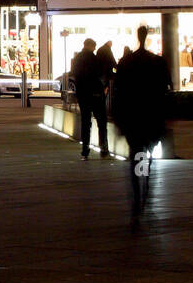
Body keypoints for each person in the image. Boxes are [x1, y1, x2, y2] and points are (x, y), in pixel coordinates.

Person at [111, 25, 172, 216]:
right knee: (146, 152)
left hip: (133, 117)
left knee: (137, 153)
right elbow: (166, 90)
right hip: (151, 115)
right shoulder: (157, 62)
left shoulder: (127, 61)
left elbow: (118, 92)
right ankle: (144, 181)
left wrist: (118, 118)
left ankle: (138, 191)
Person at [69, 38, 109, 159]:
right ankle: (103, 147)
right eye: (94, 46)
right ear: (91, 46)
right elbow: (100, 74)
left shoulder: (78, 59)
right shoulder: (94, 58)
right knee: (101, 121)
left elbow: (74, 74)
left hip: (83, 95)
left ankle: (85, 148)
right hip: (95, 94)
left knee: (85, 122)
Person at [95, 39, 117, 109]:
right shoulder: (107, 49)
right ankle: (103, 104)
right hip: (105, 72)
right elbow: (112, 60)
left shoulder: (100, 49)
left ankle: (99, 102)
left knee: (100, 88)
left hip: (99, 72)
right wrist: (116, 67)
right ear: (109, 44)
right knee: (106, 87)